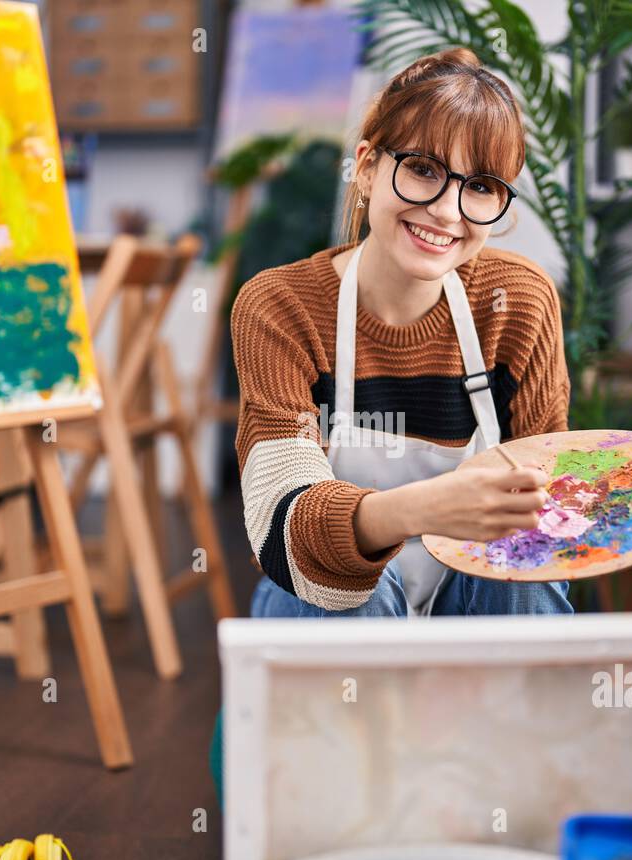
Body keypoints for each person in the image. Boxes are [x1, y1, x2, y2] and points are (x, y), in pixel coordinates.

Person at [210, 48, 574, 807]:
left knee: (525, 584)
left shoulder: (518, 303)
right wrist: (427, 507)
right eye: (423, 171)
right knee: (352, 596)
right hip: (327, 601)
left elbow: (543, 519)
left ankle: (506, 814)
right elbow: (284, 527)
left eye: (480, 188)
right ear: (369, 168)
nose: (447, 211)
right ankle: (345, 816)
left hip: (469, 601)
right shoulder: (280, 307)